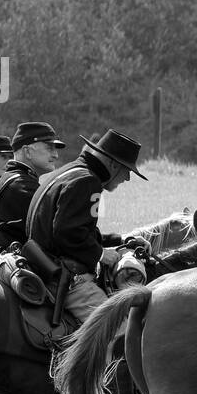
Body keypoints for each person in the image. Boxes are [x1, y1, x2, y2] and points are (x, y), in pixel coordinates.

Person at [26, 129, 146, 326]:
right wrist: (100, 254)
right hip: (63, 279)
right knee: (121, 332)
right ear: (114, 164)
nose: (127, 178)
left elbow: (81, 230)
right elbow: (67, 233)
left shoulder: (70, 172)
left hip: (43, 266)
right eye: (127, 170)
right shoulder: (88, 181)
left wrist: (121, 240)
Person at [0, 122, 65, 250]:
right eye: (49, 148)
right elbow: (62, 234)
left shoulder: (13, 181)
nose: (56, 155)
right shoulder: (23, 187)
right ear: (27, 152)